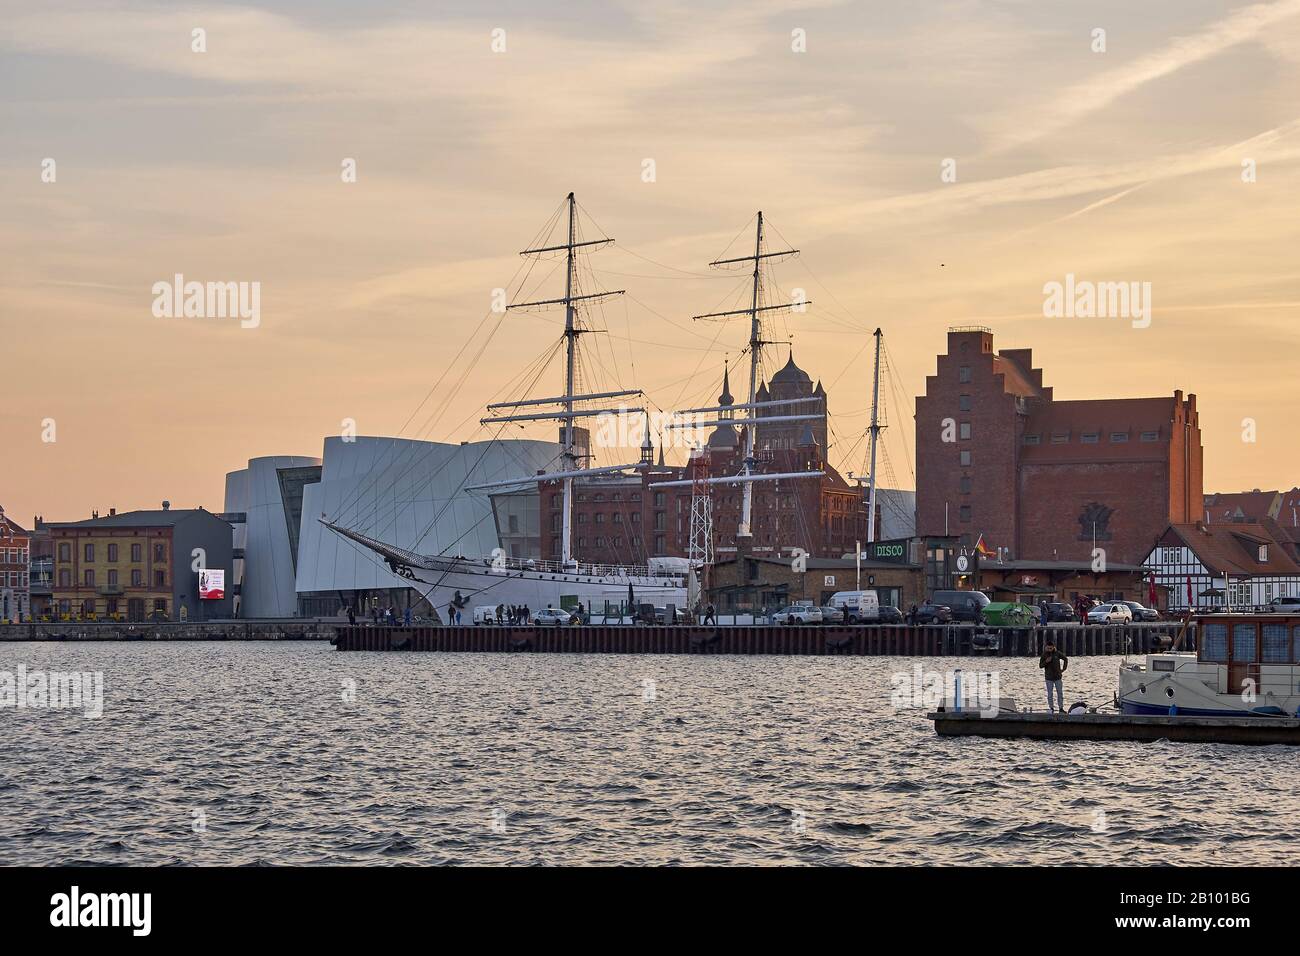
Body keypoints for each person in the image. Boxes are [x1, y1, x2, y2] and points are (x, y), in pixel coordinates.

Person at [1040, 638, 1069, 713]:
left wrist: (1063, 669)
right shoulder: (1044, 655)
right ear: (1046, 647)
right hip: (1049, 678)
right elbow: (1040, 666)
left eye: (1051, 648)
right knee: (1050, 694)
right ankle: (1051, 708)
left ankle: (1061, 708)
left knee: (1060, 693)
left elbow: (1065, 659)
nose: (1049, 649)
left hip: (1058, 677)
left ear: (1053, 647)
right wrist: (1046, 661)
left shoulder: (1057, 653)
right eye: (1048, 648)